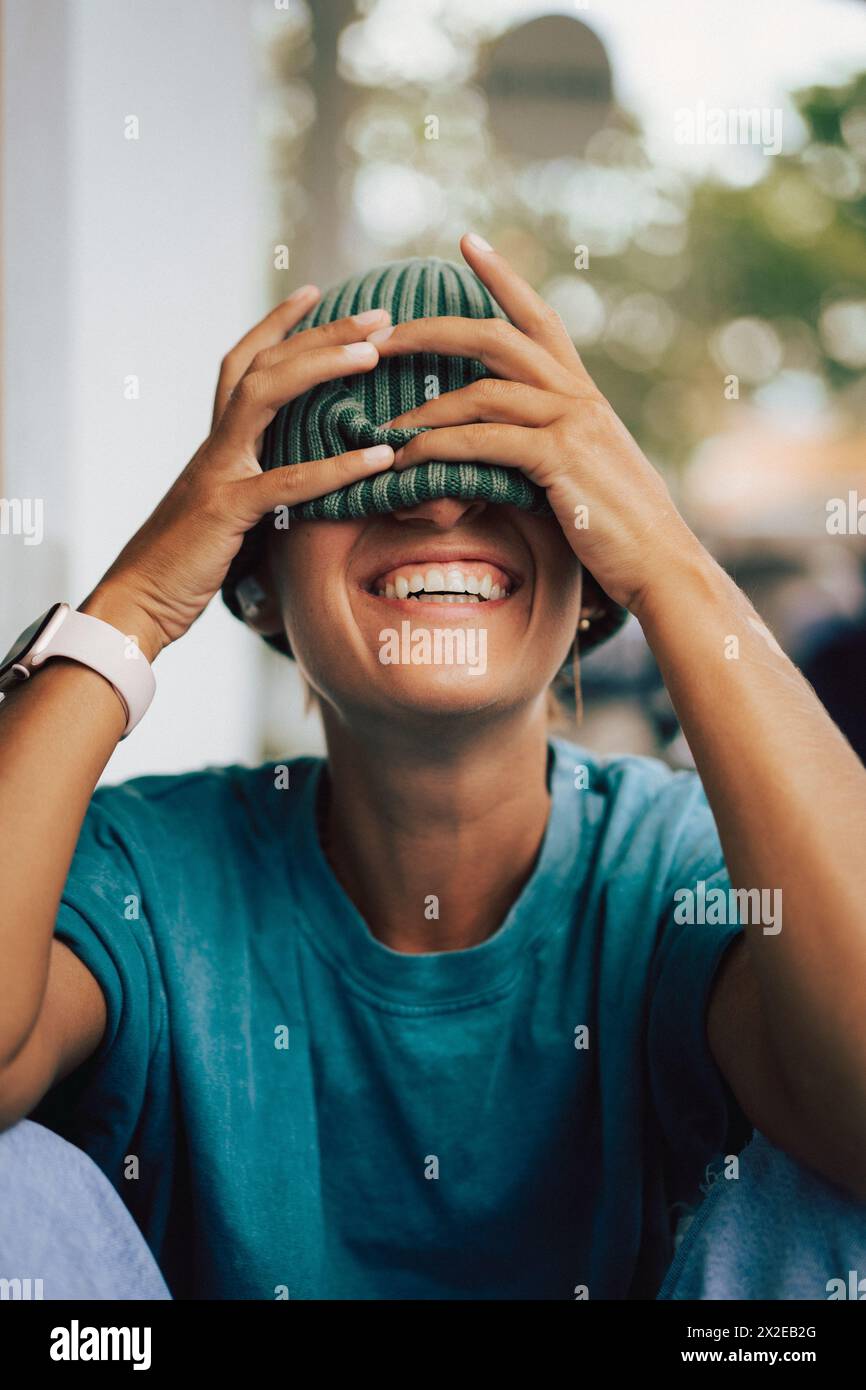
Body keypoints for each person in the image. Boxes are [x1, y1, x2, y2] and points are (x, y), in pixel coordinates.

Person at [1, 235, 865, 1301]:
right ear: (251, 575)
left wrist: (669, 564)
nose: (441, 507)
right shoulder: (153, 874)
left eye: (512, 474)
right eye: (359, 473)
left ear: (591, 580)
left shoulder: (674, 874)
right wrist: (124, 612)